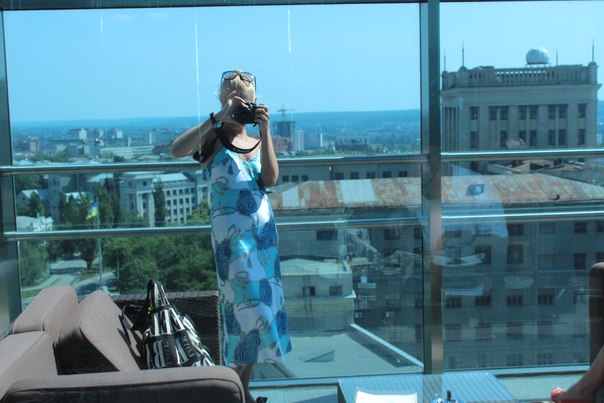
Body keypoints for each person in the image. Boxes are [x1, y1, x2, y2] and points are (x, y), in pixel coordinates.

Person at [171, 69, 291, 403]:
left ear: (255, 103)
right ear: (224, 101)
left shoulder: (256, 141)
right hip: (233, 248)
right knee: (244, 316)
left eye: (245, 105)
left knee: (259, 316)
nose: (240, 110)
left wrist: (265, 131)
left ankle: (242, 392)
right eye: (235, 103)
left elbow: (271, 179)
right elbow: (177, 150)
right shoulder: (214, 139)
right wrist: (218, 117)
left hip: (263, 243)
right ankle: (230, 392)